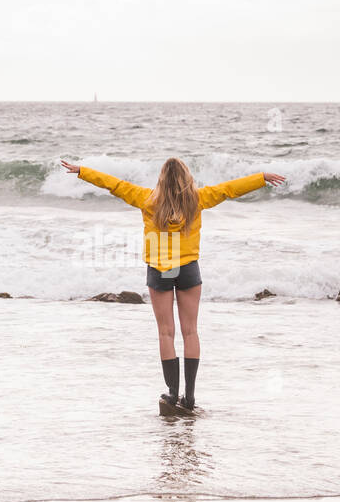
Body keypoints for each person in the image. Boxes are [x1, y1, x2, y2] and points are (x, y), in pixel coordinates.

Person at [60, 157, 286, 410]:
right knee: (191, 331)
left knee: (166, 332)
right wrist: (261, 177)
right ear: (186, 179)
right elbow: (228, 189)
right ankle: (189, 398)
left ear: (161, 180)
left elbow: (114, 185)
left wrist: (82, 171)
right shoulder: (197, 200)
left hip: (160, 270)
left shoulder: (147, 199)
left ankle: (171, 394)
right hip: (188, 269)